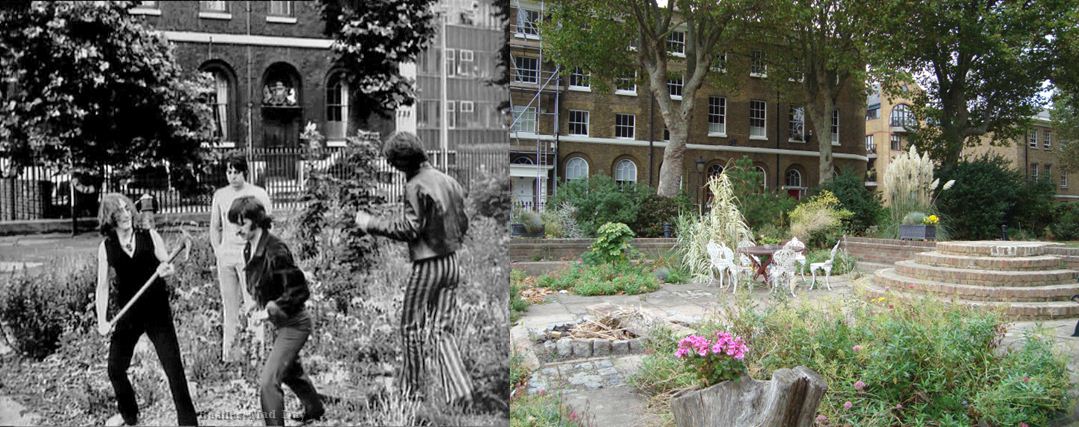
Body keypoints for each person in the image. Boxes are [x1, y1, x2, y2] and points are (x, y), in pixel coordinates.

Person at [354, 131, 474, 407]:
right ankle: (461, 392)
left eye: (395, 165)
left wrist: (371, 223)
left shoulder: (415, 185)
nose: (395, 170)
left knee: (410, 328)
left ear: (402, 163)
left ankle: (412, 393)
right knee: (442, 330)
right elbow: (464, 223)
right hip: (452, 262)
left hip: (427, 265)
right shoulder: (448, 180)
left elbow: (410, 228)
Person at [94, 193, 197, 426]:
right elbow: (102, 287)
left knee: (173, 368)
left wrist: (167, 269)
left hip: (156, 311)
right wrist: (102, 320)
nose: (126, 214)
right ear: (110, 218)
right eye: (119, 212)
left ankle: (188, 422)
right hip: (129, 315)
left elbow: (167, 264)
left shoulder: (149, 236)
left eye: (127, 209)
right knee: (115, 368)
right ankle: (129, 414)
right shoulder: (107, 247)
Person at [228, 195, 324, 426]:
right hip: (280, 323)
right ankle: (315, 409)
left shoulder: (276, 250)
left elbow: (299, 291)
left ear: (256, 221)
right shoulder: (250, 248)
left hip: (295, 323)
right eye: (235, 224)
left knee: (268, 382)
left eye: (242, 223)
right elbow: (261, 285)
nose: (237, 230)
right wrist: (254, 304)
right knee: (290, 370)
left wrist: (269, 310)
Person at [210, 152, 271, 362]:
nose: (233, 177)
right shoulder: (220, 195)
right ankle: (231, 356)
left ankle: (257, 354)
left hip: (249, 257)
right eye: (229, 172)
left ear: (245, 172)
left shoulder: (258, 193)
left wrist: (259, 254)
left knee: (253, 303)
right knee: (230, 307)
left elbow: (266, 226)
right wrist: (218, 250)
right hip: (226, 256)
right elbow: (215, 227)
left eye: (237, 172)